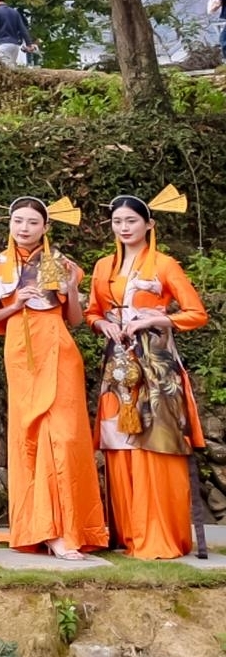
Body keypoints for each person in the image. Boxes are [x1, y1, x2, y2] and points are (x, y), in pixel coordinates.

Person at [0, 198, 105, 559]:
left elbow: (74, 320)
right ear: (9, 223)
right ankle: (44, 529)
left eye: (33, 222)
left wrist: (72, 289)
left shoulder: (61, 264)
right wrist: (15, 305)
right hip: (20, 353)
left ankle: (71, 528)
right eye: (18, 220)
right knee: (30, 436)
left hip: (59, 350)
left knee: (65, 436)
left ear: (45, 227)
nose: (24, 228)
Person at [90, 193, 210, 559]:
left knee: (156, 438)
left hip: (156, 363)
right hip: (118, 361)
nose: (124, 227)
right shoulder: (103, 266)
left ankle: (159, 533)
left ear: (149, 224)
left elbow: (196, 313)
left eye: (131, 221)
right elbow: (93, 311)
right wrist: (102, 324)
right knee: (119, 439)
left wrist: (157, 318)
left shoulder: (164, 264)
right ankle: (129, 532)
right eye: (117, 222)